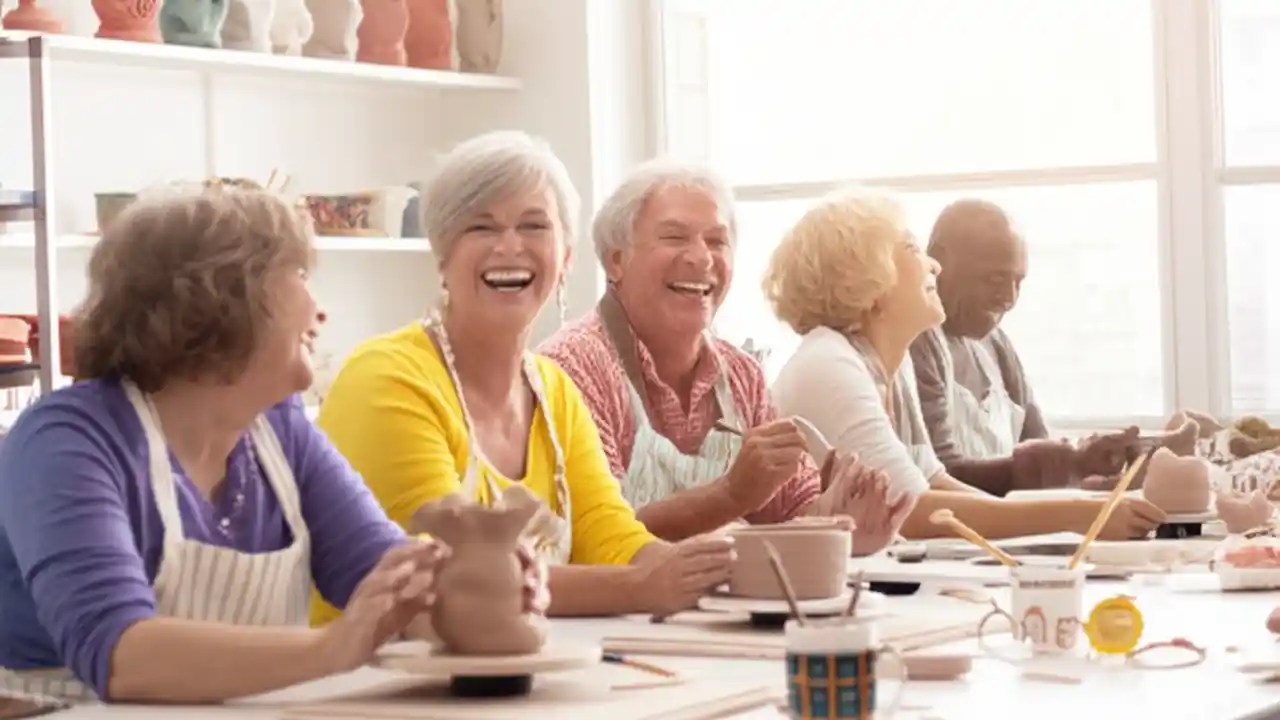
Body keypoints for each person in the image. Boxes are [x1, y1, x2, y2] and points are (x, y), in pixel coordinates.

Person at [0, 188, 545, 704]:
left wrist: (479, 588)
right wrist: (332, 648)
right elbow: (119, 655)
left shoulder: (279, 431)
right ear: (220, 296)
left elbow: (392, 585)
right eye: (300, 275)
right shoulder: (67, 442)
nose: (319, 311)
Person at [311, 132, 733, 623]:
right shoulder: (388, 378)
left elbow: (613, 537)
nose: (509, 247)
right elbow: (448, 576)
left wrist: (718, 570)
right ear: (442, 257)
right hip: (373, 686)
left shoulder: (554, 391)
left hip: (509, 679)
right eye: (481, 228)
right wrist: (643, 585)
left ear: (567, 260)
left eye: (534, 226)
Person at [540, 159, 912, 555]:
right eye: (674, 237)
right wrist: (730, 495)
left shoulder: (741, 374)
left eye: (717, 241)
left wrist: (843, 522)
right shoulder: (572, 367)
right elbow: (592, 540)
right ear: (616, 260)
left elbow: (795, 512)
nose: (701, 258)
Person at [764, 188, 1166, 539]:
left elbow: (935, 481)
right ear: (865, 277)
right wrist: (1080, 516)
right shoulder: (828, 364)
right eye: (911, 249)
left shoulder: (890, 366)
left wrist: (1085, 512)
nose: (933, 267)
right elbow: (909, 511)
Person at [909, 199, 1137, 495]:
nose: (1009, 298)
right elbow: (937, 477)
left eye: (1018, 281)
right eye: (995, 278)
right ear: (938, 260)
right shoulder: (916, 344)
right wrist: (1071, 465)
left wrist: (1104, 474)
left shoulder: (997, 346)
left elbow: (1042, 448)